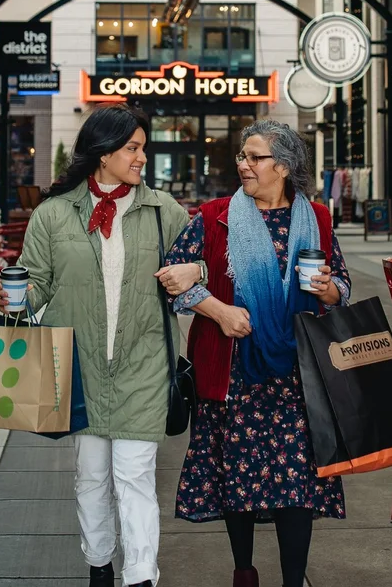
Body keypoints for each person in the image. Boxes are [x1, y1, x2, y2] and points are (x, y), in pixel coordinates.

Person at [0, 105, 191, 587]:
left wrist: (197, 272)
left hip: (143, 364)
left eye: (143, 147)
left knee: (136, 475)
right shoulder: (54, 214)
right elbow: (37, 283)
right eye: (132, 148)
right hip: (78, 367)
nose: (142, 157)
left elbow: (200, 269)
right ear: (102, 154)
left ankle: (141, 576)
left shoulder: (164, 211)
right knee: (91, 477)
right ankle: (99, 564)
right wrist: (13, 299)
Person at [157, 119, 350, 587]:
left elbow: (343, 286)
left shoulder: (318, 219)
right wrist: (219, 311)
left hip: (299, 374)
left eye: (254, 157)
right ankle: (244, 568)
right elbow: (172, 281)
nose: (243, 164)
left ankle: (293, 578)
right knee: (236, 480)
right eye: (242, 157)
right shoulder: (215, 216)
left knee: (297, 481)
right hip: (235, 373)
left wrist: (328, 291)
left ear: (282, 166)